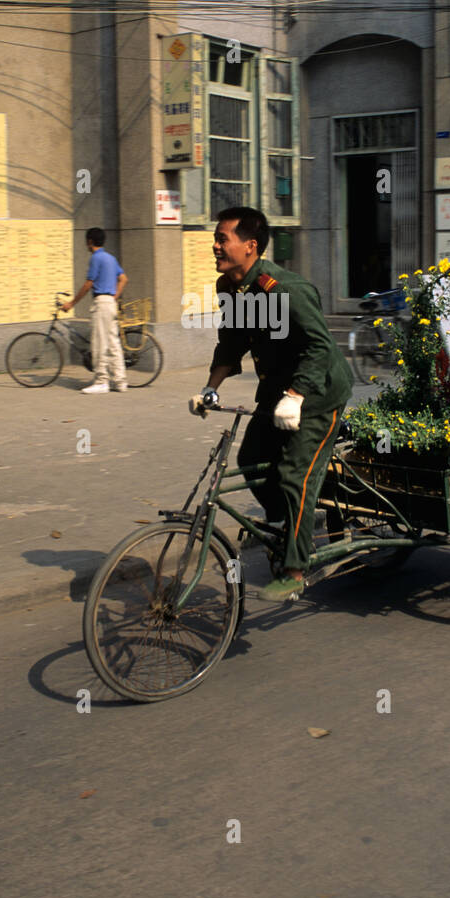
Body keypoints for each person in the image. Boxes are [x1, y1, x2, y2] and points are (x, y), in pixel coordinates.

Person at [189, 207, 353, 602]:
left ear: (250, 246)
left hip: (317, 392)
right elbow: (233, 341)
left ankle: (295, 569)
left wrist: (296, 397)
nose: (215, 245)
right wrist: (211, 388)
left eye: (222, 238)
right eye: (216, 237)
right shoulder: (230, 287)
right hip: (275, 390)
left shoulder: (284, 289)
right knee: (251, 460)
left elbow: (318, 346)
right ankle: (284, 523)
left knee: (294, 474)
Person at [62, 227, 128, 393]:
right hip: (111, 303)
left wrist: (72, 303)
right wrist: (115, 296)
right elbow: (123, 279)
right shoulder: (111, 258)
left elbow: (88, 283)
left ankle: (101, 381)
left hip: (101, 303)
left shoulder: (96, 258)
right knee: (113, 343)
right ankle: (120, 382)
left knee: (99, 343)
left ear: (90, 241)